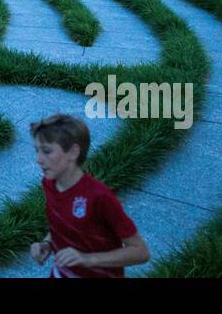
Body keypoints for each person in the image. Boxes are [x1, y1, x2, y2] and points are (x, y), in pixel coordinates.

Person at [28, 113, 150, 278]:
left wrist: (87, 259)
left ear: (73, 152)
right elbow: (65, 223)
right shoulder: (49, 184)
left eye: (47, 151)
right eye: (37, 151)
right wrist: (48, 243)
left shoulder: (99, 197)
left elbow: (140, 252)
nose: (38, 159)